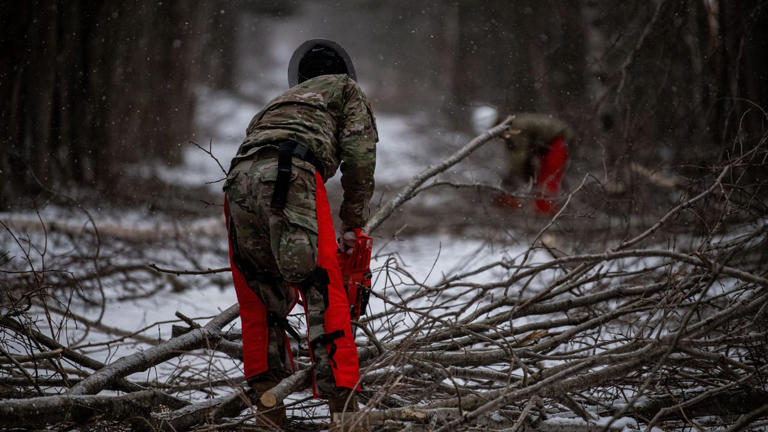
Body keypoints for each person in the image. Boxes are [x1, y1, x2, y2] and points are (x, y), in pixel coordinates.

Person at [223, 39, 377, 430]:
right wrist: (352, 221)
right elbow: (360, 156)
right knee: (323, 286)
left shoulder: (276, 104)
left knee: (258, 293)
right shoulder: (346, 90)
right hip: (293, 172)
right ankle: (344, 409)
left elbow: (257, 155)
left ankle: (267, 409)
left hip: (237, 180)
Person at [493, 113, 573, 214]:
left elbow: (520, 156)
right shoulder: (512, 128)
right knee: (543, 178)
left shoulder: (514, 128)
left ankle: (546, 214)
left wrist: (514, 178)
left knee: (548, 178)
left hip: (558, 140)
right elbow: (517, 157)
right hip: (550, 144)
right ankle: (544, 210)